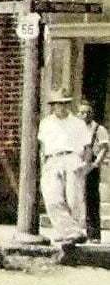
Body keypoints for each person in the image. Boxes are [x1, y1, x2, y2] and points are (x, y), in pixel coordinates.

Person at [39, 92, 90, 245]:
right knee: (52, 198)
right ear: (53, 106)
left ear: (68, 105)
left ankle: (72, 232)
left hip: (72, 158)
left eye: (64, 103)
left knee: (74, 199)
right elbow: (43, 146)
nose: (61, 107)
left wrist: (85, 165)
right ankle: (70, 232)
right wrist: (44, 164)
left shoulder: (78, 123)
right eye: (57, 104)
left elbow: (87, 146)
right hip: (52, 159)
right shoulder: (46, 123)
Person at [77, 102, 108, 242]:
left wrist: (96, 164)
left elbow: (104, 148)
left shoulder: (98, 129)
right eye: (81, 112)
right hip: (77, 164)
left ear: (91, 114)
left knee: (91, 200)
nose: (83, 115)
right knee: (75, 199)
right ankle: (75, 233)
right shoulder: (76, 128)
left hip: (91, 166)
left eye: (86, 112)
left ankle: (94, 235)